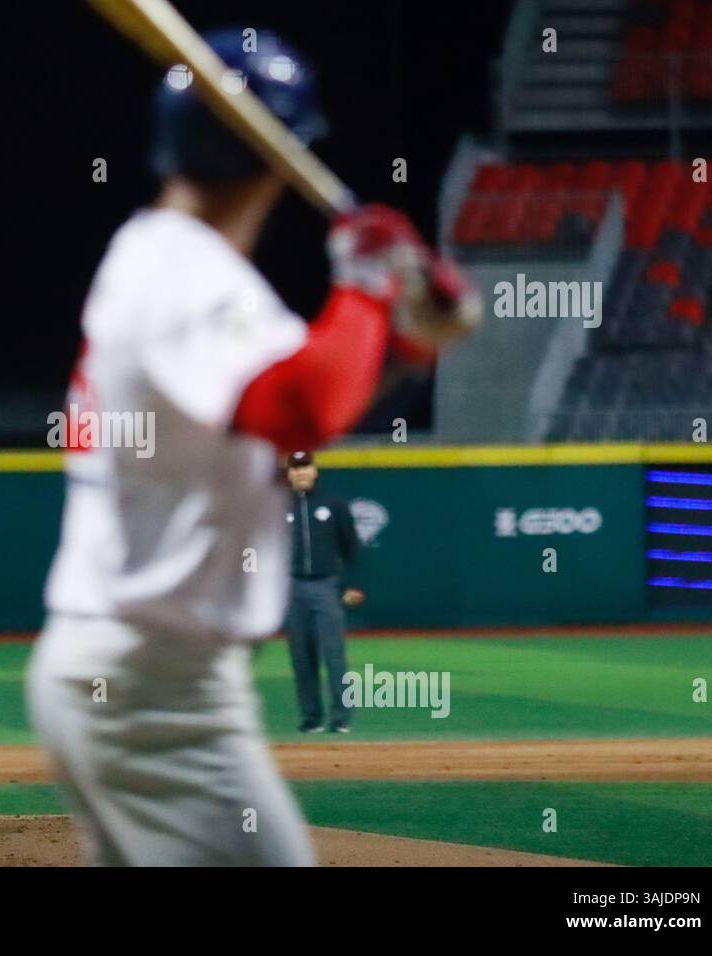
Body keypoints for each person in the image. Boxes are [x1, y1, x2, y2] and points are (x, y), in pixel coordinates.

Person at [25, 28, 476, 866]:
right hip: (154, 689)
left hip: (126, 670)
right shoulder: (185, 277)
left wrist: (406, 344)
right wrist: (368, 290)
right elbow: (300, 404)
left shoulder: (167, 265)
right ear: (278, 156)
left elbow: (299, 405)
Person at [284, 450, 363, 734]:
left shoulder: (334, 504)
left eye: (306, 467)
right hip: (291, 587)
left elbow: (351, 546)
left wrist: (353, 583)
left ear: (315, 471)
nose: (301, 472)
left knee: (334, 654)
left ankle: (341, 717)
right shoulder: (278, 506)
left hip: (326, 586)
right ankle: (311, 717)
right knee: (301, 657)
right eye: (296, 468)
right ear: (289, 473)